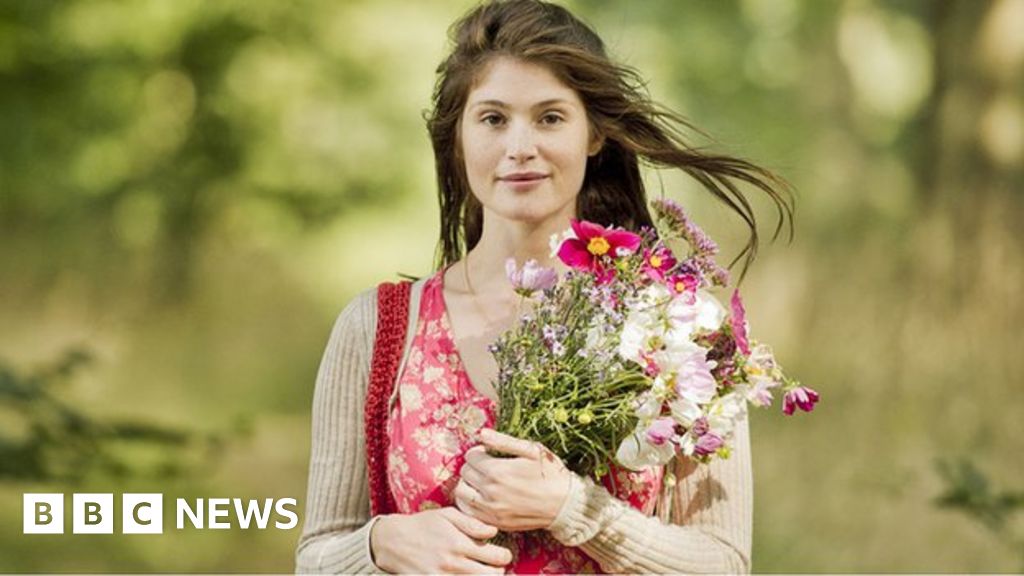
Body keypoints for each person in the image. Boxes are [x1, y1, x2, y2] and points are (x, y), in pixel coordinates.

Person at [295, 0, 793, 573]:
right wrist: (381, 545)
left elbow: (723, 563)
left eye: (550, 117)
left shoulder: (676, 328)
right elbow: (317, 556)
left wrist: (572, 507)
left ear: (594, 136)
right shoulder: (378, 328)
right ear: (457, 138)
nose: (519, 147)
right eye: (493, 119)